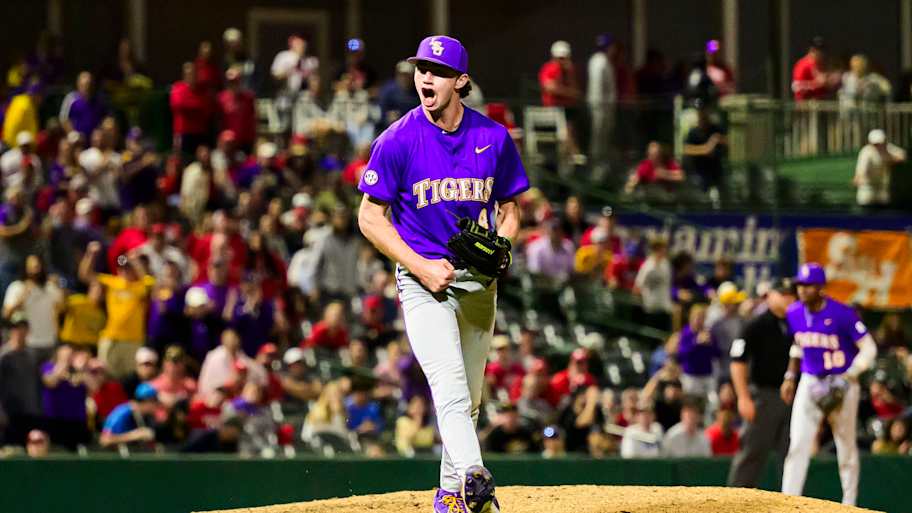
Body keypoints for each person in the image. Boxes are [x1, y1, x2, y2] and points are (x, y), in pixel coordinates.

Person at [357, 35, 528, 513]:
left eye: (437, 71)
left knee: (468, 397)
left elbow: (510, 207)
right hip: (422, 282)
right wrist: (420, 266)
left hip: (478, 284)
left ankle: (450, 496)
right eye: (421, 69)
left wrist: (505, 241)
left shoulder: (492, 138)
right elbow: (369, 217)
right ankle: (476, 478)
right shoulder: (397, 139)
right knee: (449, 385)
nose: (425, 78)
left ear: (461, 81)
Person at [780, 263, 877, 506]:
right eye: (799, 285)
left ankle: (849, 504)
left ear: (820, 287)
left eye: (808, 285)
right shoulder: (794, 312)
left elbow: (869, 348)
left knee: (846, 448)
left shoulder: (842, 314)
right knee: (798, 444)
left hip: (841, 382)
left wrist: (850, 375)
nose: (802, 290)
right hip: (810, 380)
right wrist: (790, 376)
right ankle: (788, 502)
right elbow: (798, 344)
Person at [727, 279, 797, 487]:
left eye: (790, 294)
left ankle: (792, 503)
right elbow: (737, 362)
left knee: (792, 455)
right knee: (752, 452)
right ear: (769, 295)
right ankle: (734, 503)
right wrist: (743, 397)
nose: (787, 297)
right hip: (765, 396)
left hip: (794, 397)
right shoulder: (755, 324)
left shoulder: (798, 323)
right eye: (781, 293)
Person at [78, 241, 155, 379]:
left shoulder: (140, 286)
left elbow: (150, 284)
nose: (124, 271)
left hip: (133, 340)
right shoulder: (112, 282)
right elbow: (85, 275)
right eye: (121, 268)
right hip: (111, 338)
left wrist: (136, 262)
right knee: (106, 378)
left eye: (128, 268)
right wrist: (91, 254)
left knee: (131, 378)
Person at [2, 255, 63, 363]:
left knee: (49, 376)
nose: (35, 268)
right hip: (28, 344)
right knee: (29, 378)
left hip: (49, 342)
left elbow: (62, 308)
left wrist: (59, 286)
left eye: (37, 265)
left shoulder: (50, 287)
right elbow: (6, 314)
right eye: (32, 265)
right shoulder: (17, 287)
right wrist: (22, 297)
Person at [0, 314, 42, 446]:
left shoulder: (32, 355)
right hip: (10, 413)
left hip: (31, 412)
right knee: (12, 452)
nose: (19, 331)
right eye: (16, 328)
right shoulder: (4, 356)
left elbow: (37, 383)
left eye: (23, 328)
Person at [682, 106, 727, 206]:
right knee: (702, 199)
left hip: (716, 170)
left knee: (719, 198)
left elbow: (728, 142)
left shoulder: (716, 129)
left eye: (704, 116)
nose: (702, 119)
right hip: (699, 172)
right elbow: (687, 149)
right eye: (700, 116)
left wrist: (721, 140)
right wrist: (709, 145)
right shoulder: (693, 132)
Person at [587, 33, 617, 176]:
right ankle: (596, 169)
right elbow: (598, 87)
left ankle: (601, 168)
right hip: (600, 108)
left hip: (603, 107)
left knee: (604, 139)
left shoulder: (602, 60)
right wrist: (601, 107)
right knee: (598, 139)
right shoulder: (599, 61)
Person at [853, 128, 906, 208]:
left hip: (883, 191)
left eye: (880, 143)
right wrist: (859, 178)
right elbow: (860, 173)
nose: (878, 146)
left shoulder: (889, 148)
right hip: (867, 191)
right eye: (875, 144)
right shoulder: (865, 152)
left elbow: (902, 156)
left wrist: (889, 159)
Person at [99, 382, 159, 448]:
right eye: (154, 400)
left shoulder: (146, 416)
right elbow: (104, 440)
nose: (157, 404)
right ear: (147, 401)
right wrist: (134, 435)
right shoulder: (123, 413)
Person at [633, 236, 673, 332]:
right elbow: (637, 287)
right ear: (656, 249)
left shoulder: (666, 264)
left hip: (665, 308)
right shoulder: (647, 266)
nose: (665, 251)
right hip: (652, 310)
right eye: (662, 248)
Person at [59, 71, 108, 138]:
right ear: (78, 84)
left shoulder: (99, 101)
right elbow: (64, 119)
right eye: (85, 85)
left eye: (90, 85)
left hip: (95, 140)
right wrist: (73, 134)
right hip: (75, 139)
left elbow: (104, 119)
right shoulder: (71, 98)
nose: (87, 88)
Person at [792, 37, 837, 101]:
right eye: (818, 50)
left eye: (822, 50)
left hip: (822, 103)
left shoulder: (824, 63)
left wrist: (831, 81)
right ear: (811, 50)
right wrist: (816, 84)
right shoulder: (802, 64)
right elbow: (796, 86)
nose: (821, 53)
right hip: (805, 105)